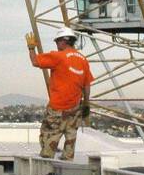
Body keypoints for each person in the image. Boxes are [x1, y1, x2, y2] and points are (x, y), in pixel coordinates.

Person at [27, 26, 94, 161]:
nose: (56, 45)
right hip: (75, 107)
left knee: (48, 136)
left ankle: (46, 165)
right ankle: (67, 163)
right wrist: (86, 104)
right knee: (70, 137)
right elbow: (87, 85)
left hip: (57, 107)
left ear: (64, 40)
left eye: (57, 41)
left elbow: (35, 62)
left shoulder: (58, 56)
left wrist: (31, 48)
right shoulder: (83, 59)